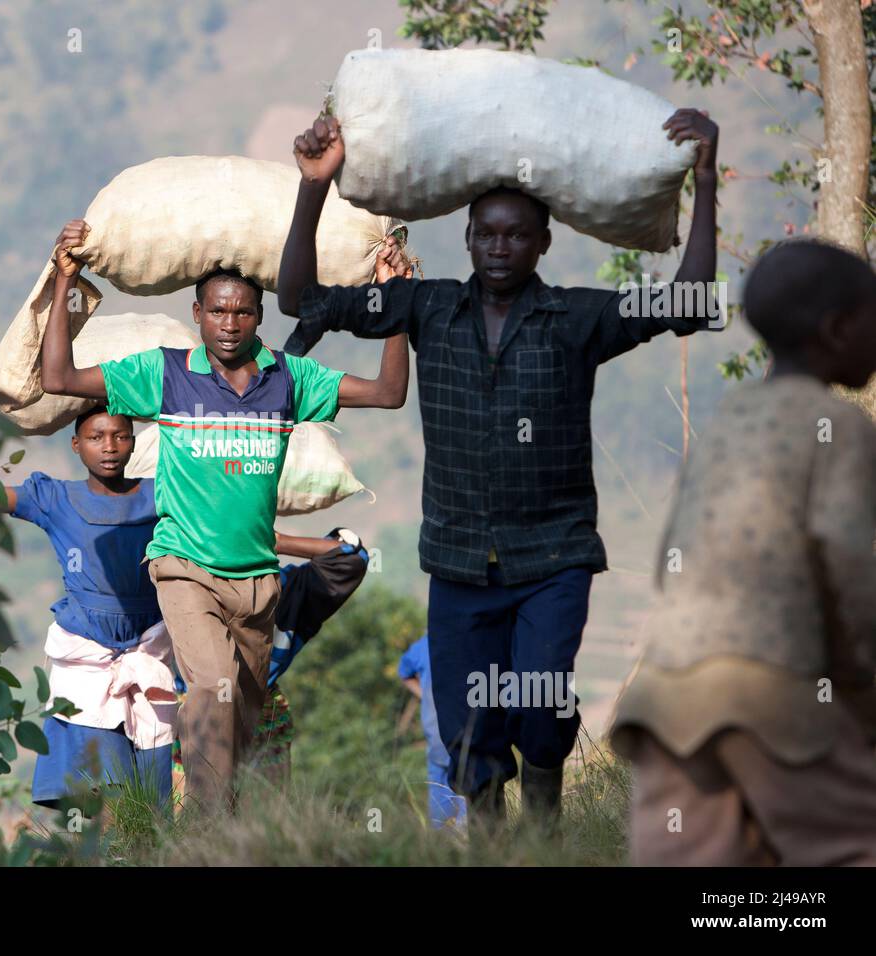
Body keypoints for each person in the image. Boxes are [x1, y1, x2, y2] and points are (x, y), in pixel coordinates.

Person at [277, 108, 721, 823]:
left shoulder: (578, 319)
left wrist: (703, 177)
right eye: (487, 232)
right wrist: (313, 188)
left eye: (517, 234)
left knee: (541, 712)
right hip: (458, 563)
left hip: (554, 557)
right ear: (468, 238)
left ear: (543, 242)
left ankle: (544, 809)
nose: (500, 246)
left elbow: (692, 304)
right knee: (469, 733)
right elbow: (301, 299)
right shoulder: (426, 308)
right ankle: (494, 844)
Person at [40, 218, 413, 809]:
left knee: (243, 720)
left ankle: (229, 832)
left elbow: (389, 392)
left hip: (258, 582)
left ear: (259, 317)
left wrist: (398, 304)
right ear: (197, 313)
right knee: (212, 692)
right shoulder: (164, 373)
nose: (229, 324)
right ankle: (205, 836)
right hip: (186, 569)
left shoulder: (289, 379)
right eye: (217, 311)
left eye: (242, 312)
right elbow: (57, 377)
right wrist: (65, 281)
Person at [611, 239, 876, 865]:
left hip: (670, 696)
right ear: (838, 329)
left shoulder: (730, 418)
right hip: (773, 692)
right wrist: (862, 692)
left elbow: (671, 556)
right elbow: (852, 569)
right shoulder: (838, 428)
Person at [0, 363, 177, 810]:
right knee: (104, 795)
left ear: (134, 442)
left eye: (119, 436)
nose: (109, 447)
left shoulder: (163, 495)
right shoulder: (53, 498)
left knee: (153, 802)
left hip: (149, 655)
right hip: (86, 663)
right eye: (96, 438)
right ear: (76, 445)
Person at [168, 526, 373, 801]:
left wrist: (272, 539)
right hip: (194, 725)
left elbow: (350, 558)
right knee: (200, 828)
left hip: (259, 724)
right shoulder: (178, 589)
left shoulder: (282, 593)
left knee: (259, 830)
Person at [399, 635, 466, 829]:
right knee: (467, 778)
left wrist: (425, 695)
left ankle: (440, 840)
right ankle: (468, 834)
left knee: (439, 784)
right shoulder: (464, 639)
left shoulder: (422, 645)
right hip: (460, 729)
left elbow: (404, 672)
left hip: (434, 730)